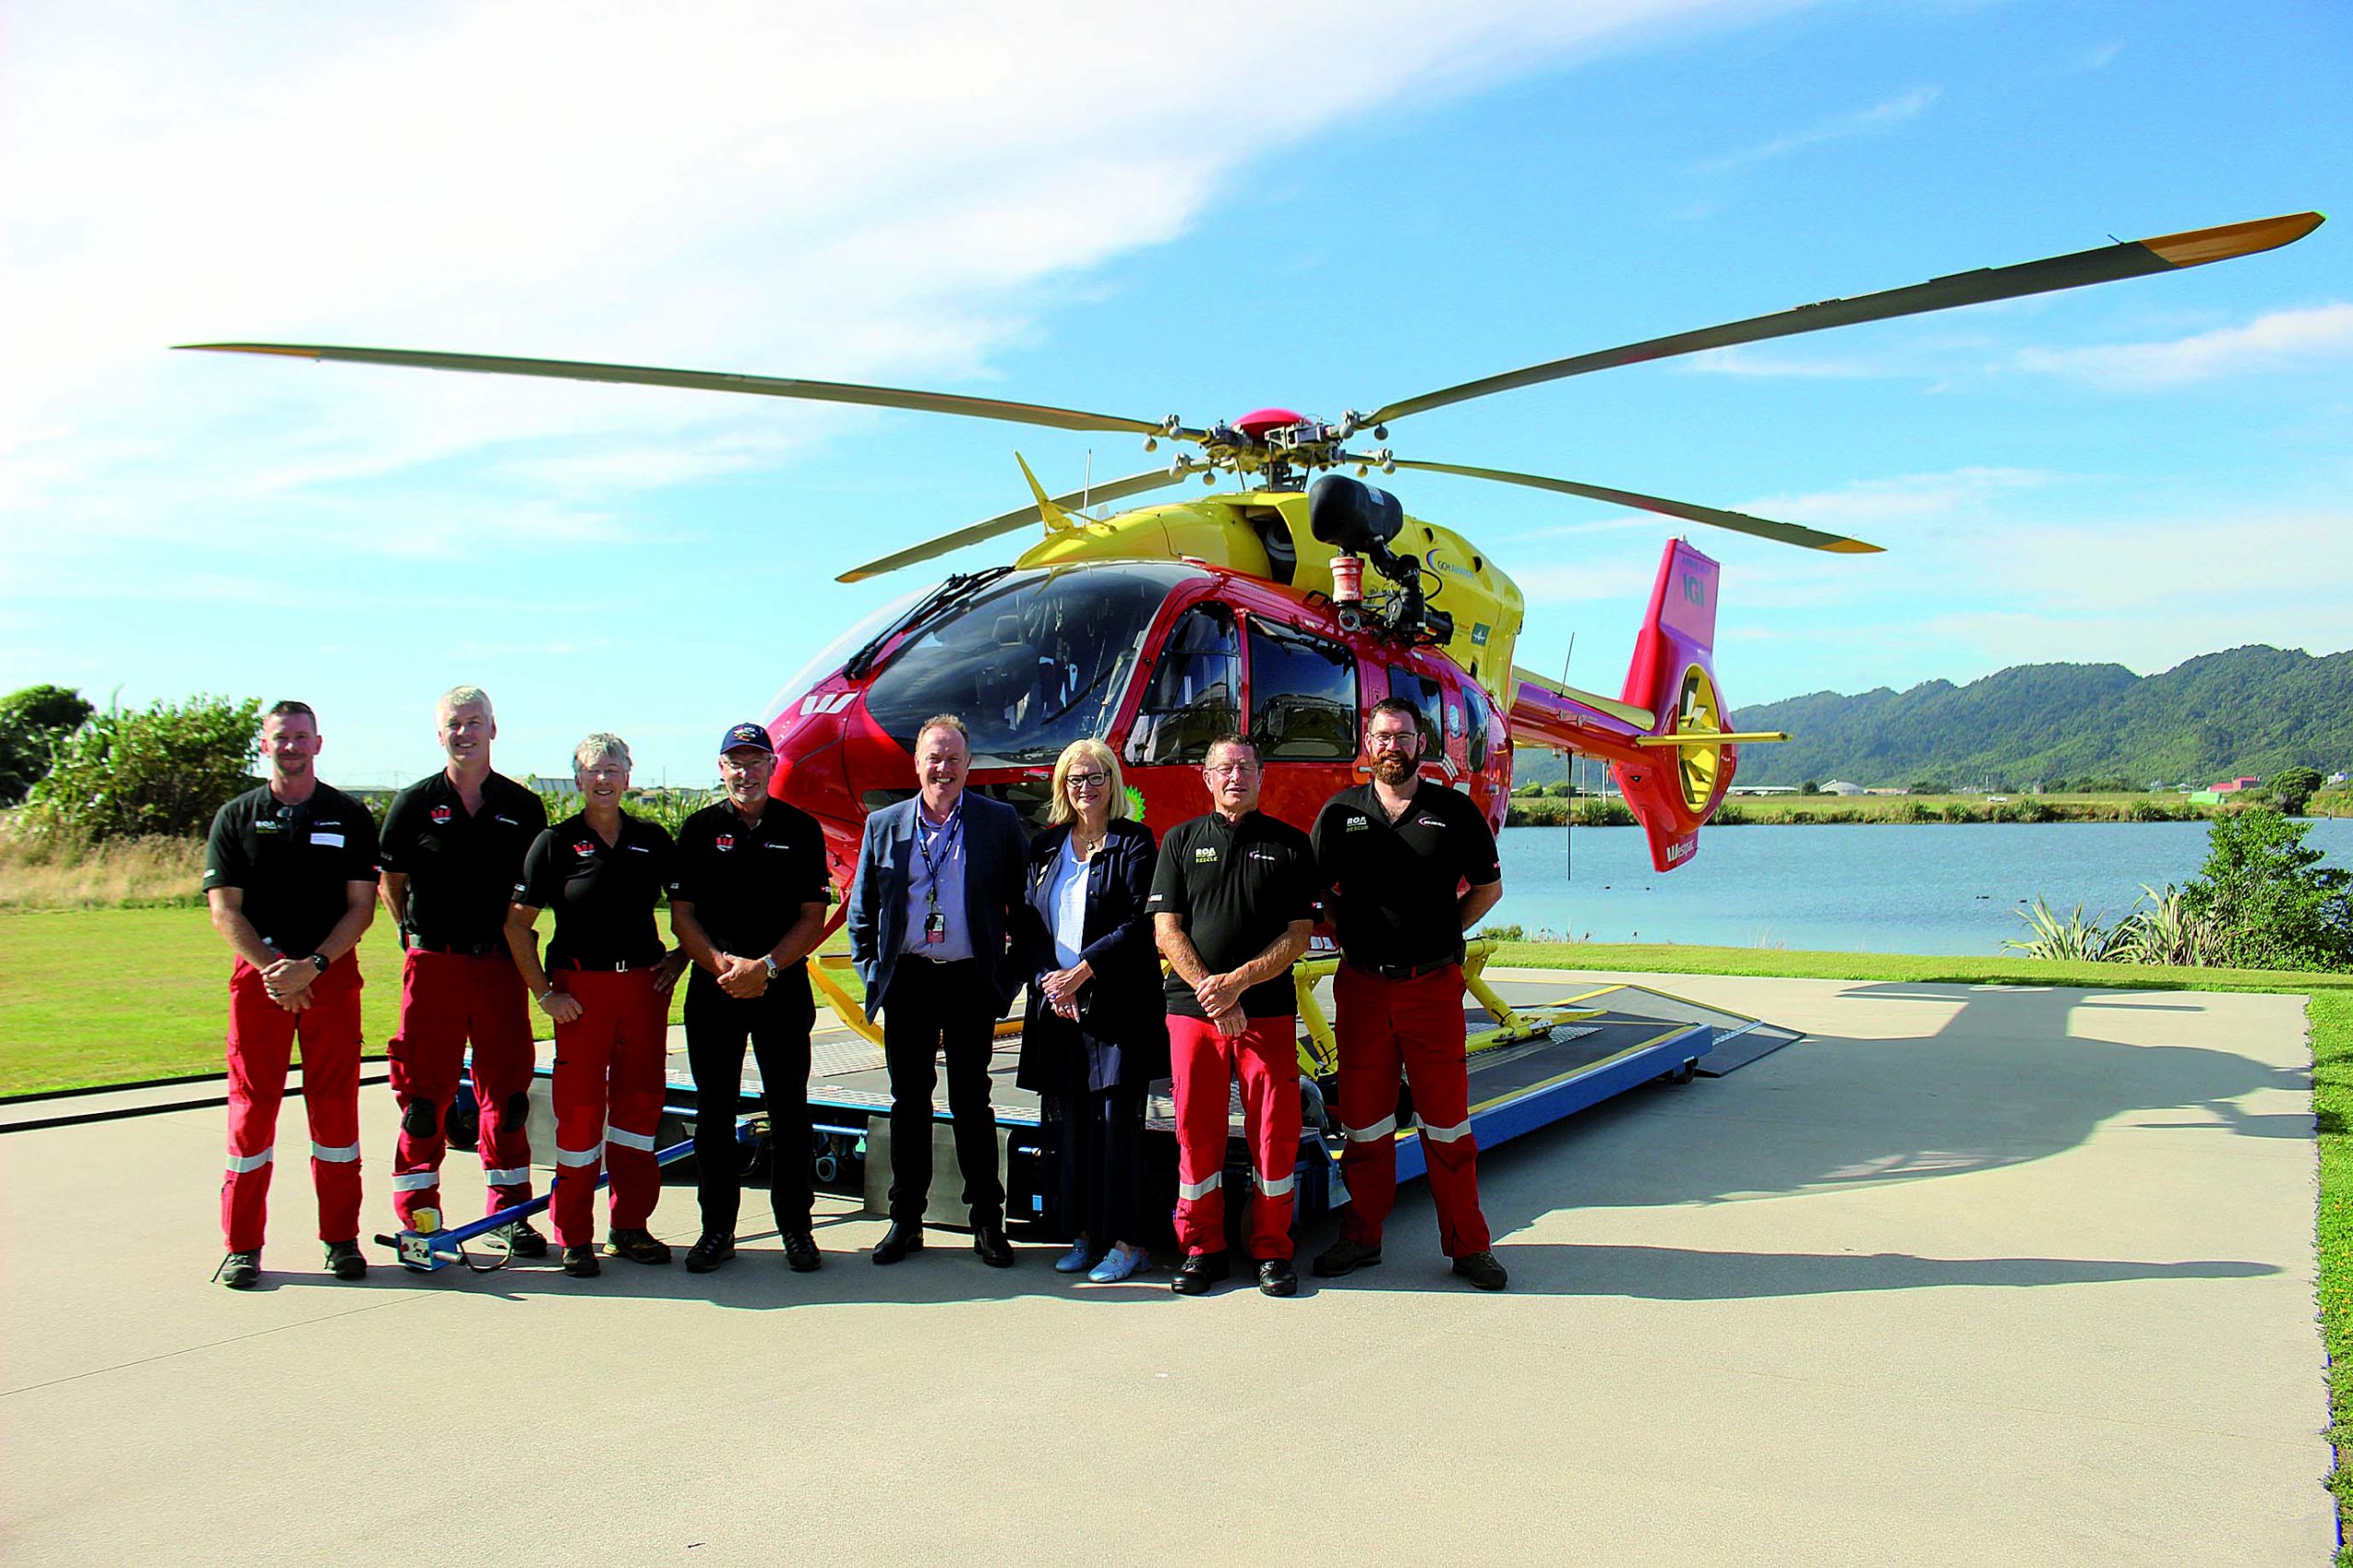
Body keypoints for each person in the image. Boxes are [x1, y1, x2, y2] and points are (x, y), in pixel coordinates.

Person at [1309, 697, 1509, 1290]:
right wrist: (1346, 929)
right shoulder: (1341, 812)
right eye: (1381, 736)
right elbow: (1319, 891)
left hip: (1432, 987)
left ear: (1421, 744)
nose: (1391, 746)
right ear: (1366, 745)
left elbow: (1488, 890)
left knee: (1447, 1124)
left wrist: (1444, 932)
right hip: (1364, 988)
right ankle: (1361, 1236)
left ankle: (1469, 1246)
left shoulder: (1453, 811)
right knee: (1365, 1124)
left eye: (1401, 736)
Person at [202, 701, 381, 1290]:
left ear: (319, 743)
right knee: (252, 1116)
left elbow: (361, 907)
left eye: (301, 737)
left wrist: (316, 964)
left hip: (330, 980)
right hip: (261, 985)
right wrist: (276, 969)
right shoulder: (235, 816)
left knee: (335, 1113)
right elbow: (224, 909)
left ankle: (340, 1240)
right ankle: (242, 1246)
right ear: (266, 744)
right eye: (282, 737)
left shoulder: (349, 815)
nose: (292, 746)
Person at [846, 714, 1030, 1267]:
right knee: (909, 1102)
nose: (943, 768)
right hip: (909, 979)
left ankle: (986, 1222)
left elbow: (1025, 912)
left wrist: (1004, 985)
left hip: (971, 979)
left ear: (968, 764)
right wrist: (874, 976)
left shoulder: (998, 823)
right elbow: (862, 915)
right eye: (933, 757)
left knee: (972, 1100)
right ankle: (906, 1220)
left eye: (953, 758)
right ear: (917, 762)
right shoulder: (885, 824)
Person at [505, 734, 687, 1278]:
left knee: (638, 1110)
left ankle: (630, 1225)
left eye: (613, 769)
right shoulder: (555, 842)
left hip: (643, 992)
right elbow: (518, 926)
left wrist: (680, 959)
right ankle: (575, 1235)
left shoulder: (652, 839)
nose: (603, 780)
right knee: (581, 1115)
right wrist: (544, 992)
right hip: (580, 996)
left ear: (628, 776)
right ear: (578, 779)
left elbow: (691, 909)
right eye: (592, 771)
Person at [377, 687, 550, 1254]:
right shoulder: (413, 803)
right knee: (424, 1103)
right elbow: (391, 880)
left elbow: (535, 888)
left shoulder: (523, 807)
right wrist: (412, 933)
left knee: (508, 1096)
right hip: (435, 966)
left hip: (499, 966)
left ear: (493, 730)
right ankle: (420, 1218)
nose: (465, 733)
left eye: (475, 723)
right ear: (440, 733)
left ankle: (510, 1213)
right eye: (454, 724)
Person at [1149, 733, 1319, 1297]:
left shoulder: (1292, 845)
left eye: (1245, 767)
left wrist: (1240, 984)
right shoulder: (1179, 841)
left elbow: (1298, 935)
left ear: (1261, 776)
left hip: (1265, 1011)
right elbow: (1166, 927)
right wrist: (1208, 990)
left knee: (1275, 1133)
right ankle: (1202, 1247)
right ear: (1206, 776)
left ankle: (1271, 1249)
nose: (1234, 777)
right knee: (1197, 1131)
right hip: (1192, 1013)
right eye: (1223, 768)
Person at [667, 722, 832, 1275]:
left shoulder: (801, 829)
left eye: (755, 760)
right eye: (735, 762)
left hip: (781, 987)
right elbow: (682, 914)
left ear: (771, 765)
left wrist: (765, 967)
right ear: (721, 768)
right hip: (715, 989)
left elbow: (814, 915)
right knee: (714, 1113)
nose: (745, 771)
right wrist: (724, 967)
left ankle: (796, 1229)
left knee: (790, 1111)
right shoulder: (697, 830)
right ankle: (718, 1230)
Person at [1016, 739, 1163, 1284]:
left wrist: (1083, 973)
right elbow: (1028, 925)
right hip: (1059, 1009)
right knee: (1071, 1125)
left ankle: (1129, 1242)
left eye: (1096, 776)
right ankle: (1083, 1234)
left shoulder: (1134, 842)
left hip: (1115, 1008)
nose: (1086, 787)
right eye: (1075, 778)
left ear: (1112, 783)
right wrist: (1049, 982)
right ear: (1062, 785)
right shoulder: (1046, 846)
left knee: (1116, 1128)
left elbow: (1138, 924)